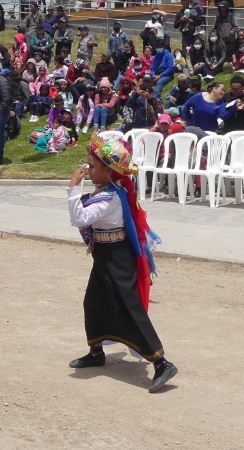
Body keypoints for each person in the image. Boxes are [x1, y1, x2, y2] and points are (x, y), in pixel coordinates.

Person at [65, 135, 178, 391]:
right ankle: (96, 351)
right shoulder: (108, 192)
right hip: (105, 255)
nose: (89, 169)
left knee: (129, 308)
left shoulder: (109, 198)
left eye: (93, 166)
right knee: (93, 301)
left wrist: (73, 188)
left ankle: (162, 362)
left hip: (117, 257)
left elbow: (79, 219)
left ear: (108, 171)